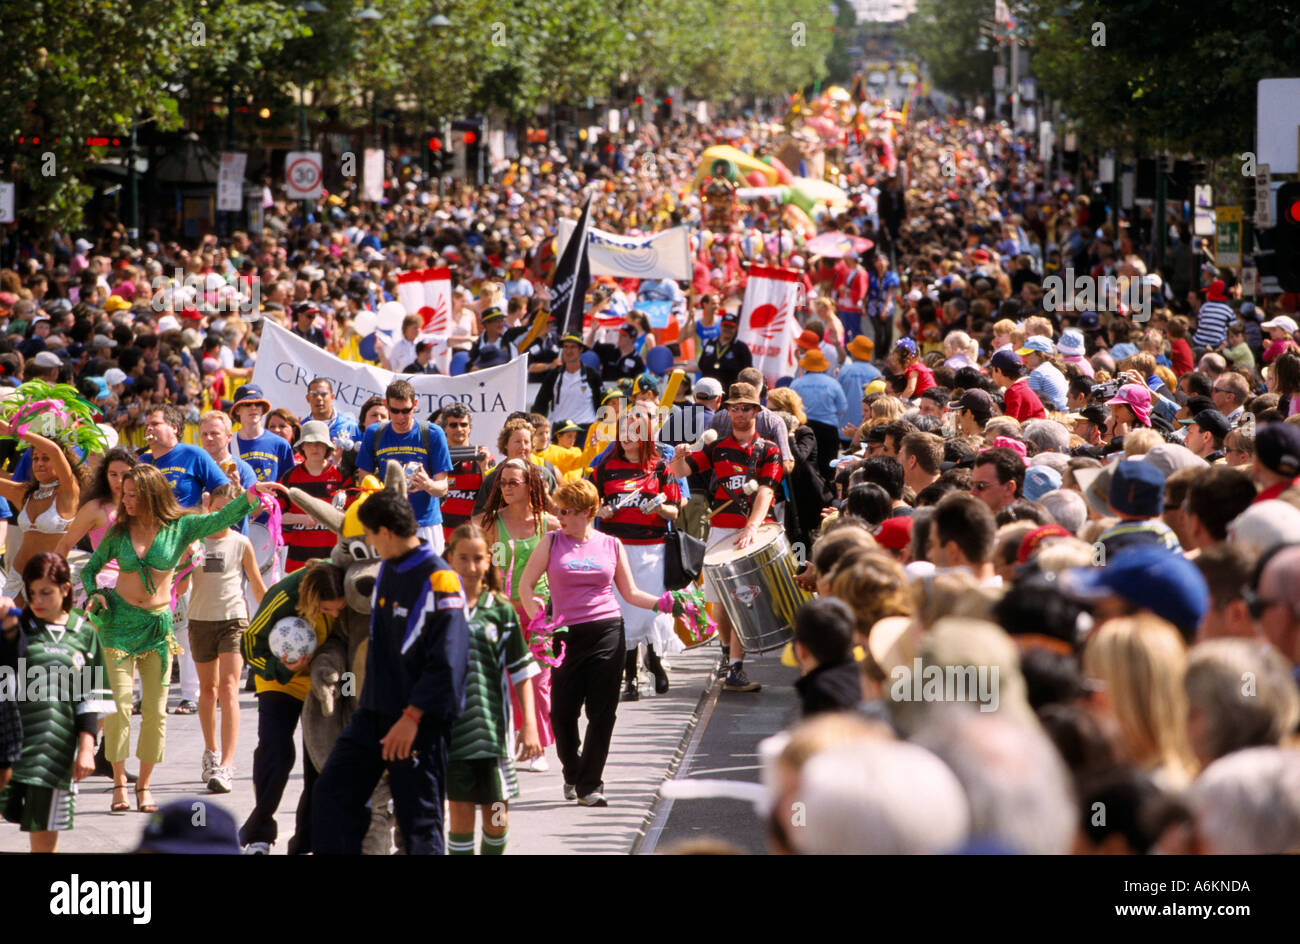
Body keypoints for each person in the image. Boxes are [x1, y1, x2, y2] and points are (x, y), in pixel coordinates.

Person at [82, 465, 272, 815]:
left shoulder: (181, 527)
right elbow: (90, 568)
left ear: (153, 495)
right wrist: (96, 593)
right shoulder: (120, 530)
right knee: (121, 708)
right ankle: (121, 783)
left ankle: (145, 786)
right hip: (117, 625)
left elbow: (221, 518)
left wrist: (250, 496)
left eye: (134, 494)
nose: (127, 500)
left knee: (155, 711)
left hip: (157, 628)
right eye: (125, 494)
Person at [312, 489, 471, 854]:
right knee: (332, 793)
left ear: (384, 531)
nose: (368, 542)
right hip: (374, 715)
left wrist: (413, 717)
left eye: (369, 534)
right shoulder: (387, 571)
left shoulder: (439, 578)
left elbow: (449, 659)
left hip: (419, 724)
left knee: (419, 825)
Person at [517, 479, 664, 807]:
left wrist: (666, 603)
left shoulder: (611, 544)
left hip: (607, 631)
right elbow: (526, 586)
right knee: (563, 713)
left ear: (587, 512)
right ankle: (573, 770)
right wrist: (538, 621)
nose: (560, 516)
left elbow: (630, 593)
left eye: (566, 511)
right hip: (565, 634)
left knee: (603, 712)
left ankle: (590, 784)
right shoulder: (551, 542)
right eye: (557, 510)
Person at [670, 381, 783, 694]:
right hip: (720, 529)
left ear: (757, 411)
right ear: (727, 409)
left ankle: (735, 666)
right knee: (718, 603)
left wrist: (750, 527)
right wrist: (680, 455)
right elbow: (680, 472)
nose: (739, 413)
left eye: (746, 408)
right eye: (734, 408)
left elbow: (766, 490)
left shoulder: (769, 450)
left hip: (753, 531)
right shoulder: (716, 447)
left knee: (741, 600)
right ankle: (725, 652)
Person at [0, 553, 112, 850]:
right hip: (8, 745)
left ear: (65, 588)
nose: (37, 600)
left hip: (54, 751)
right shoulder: (17, 626)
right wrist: (8, 630)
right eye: (32, 592)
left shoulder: (85, 633)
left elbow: (90, 698)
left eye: (46, 592)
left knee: (44, 838)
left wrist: (86, 749)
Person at [444, 523, 542, 855]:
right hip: (452, 735)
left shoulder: (500, 610)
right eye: (463, 558)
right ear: (450, 560)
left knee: (497, 816)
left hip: (493, 736)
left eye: (478, 559)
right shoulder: (439, 608)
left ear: (489, 561)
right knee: (458, 816)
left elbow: (521, 670)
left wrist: (530, 724)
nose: (471, 567)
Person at [238, 558, 348, 854]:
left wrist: (347, 691)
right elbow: (249, 645)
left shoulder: (348, 592)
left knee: (318, 761)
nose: (338, 613)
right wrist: (283, 667)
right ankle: (260, 833)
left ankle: (305, 842)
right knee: (275, 751)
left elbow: (351, 649)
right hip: (279, 679)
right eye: (330, 609)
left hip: (322, 679)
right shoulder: (285, 594)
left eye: (340, 608)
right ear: (313, 599)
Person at [139, 403, 235, 714]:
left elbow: (224, 489)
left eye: (155, 423)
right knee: (147, 621)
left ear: (175, 429)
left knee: (183, 622)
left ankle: (190, 694)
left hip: (185, 551)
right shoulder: (142, 462)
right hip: (148, 552)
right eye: (147, 424)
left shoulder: (194, 456)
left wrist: (204, 521)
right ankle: (147, 693)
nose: (149, 429)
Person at [592, 402, 682, 700]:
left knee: (652, 610)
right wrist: (602, 510)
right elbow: (593, 504)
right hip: (617, 550)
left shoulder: (659, 467)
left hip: (653, 550)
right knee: (622, 614)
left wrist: (660, 506)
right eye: (623, 431)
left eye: (634, 431)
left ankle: (655, 662)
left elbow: (675, 512)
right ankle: (629, 678)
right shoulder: (605, 468)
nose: (627, 436)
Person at [474, 458, 559, 768]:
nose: (506, 488)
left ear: (530, 485)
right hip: (500, 612)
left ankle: (539, 745)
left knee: (538, 680)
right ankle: (512, 736)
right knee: (506, 679)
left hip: (539, 612)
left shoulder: (548, 524)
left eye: (513, 482)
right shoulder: (484, 523)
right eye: (502, 483)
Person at [189, 483, 267, 794]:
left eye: (228, 510)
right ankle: (210, 753)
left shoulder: (241, 542)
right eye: (217, 508)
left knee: (229, 688)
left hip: (234, 620)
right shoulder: (194, 541)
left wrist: (276, 614)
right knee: (207, 690)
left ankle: (227, 764)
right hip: (199, 620)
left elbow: (258, 587)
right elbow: (180, 588)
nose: (222, 515)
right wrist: (184, 560)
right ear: (208, 508)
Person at [355, 379, 453, 552]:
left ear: (415, 404)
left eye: (406, 411)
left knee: (430, 579)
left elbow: (443, 487)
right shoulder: (374, 433)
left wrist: (427, 484)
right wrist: (379, 491)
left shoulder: (433, 433)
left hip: (425, 524)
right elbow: (363, 479)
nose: (401, 417)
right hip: (388, 525)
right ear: (386, 406)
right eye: (395, 410)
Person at [278, 420, 344, 572]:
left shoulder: (341, 476)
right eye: (309, 443)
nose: (314, 448)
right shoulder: (289, 478)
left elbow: (351, 515)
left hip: (333, 560)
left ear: (327, 447)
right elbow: (277, 516)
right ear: (302, 447)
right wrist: (302, 519)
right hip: (296, 562)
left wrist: (329, 517)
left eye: (319, 443)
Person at [438, 404, 493, 543]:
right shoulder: (436, 458)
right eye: (453, 425)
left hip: (473, 536)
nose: (459, 429)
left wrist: (484, 467)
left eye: (463, 424)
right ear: (445, 428)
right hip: (442, 537)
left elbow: (494, 494)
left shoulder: (484, 456)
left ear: (470, 428)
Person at [531, 333, 602, 430]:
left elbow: (602, 403)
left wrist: (601, 427)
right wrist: (535, 427)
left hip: (585, 427)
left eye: (573, 347)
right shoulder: (554, 375)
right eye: (565, 347)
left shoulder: (591, 375)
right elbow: (540, 403)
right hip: (560, 428)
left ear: (581, 349)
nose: (568, 351)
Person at [302, 377, 361, 445]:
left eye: (323, 394)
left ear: (332, 397)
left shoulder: (351, 426)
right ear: (308, 398)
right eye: (314, 394)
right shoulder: (301, 428)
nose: (319, 398)